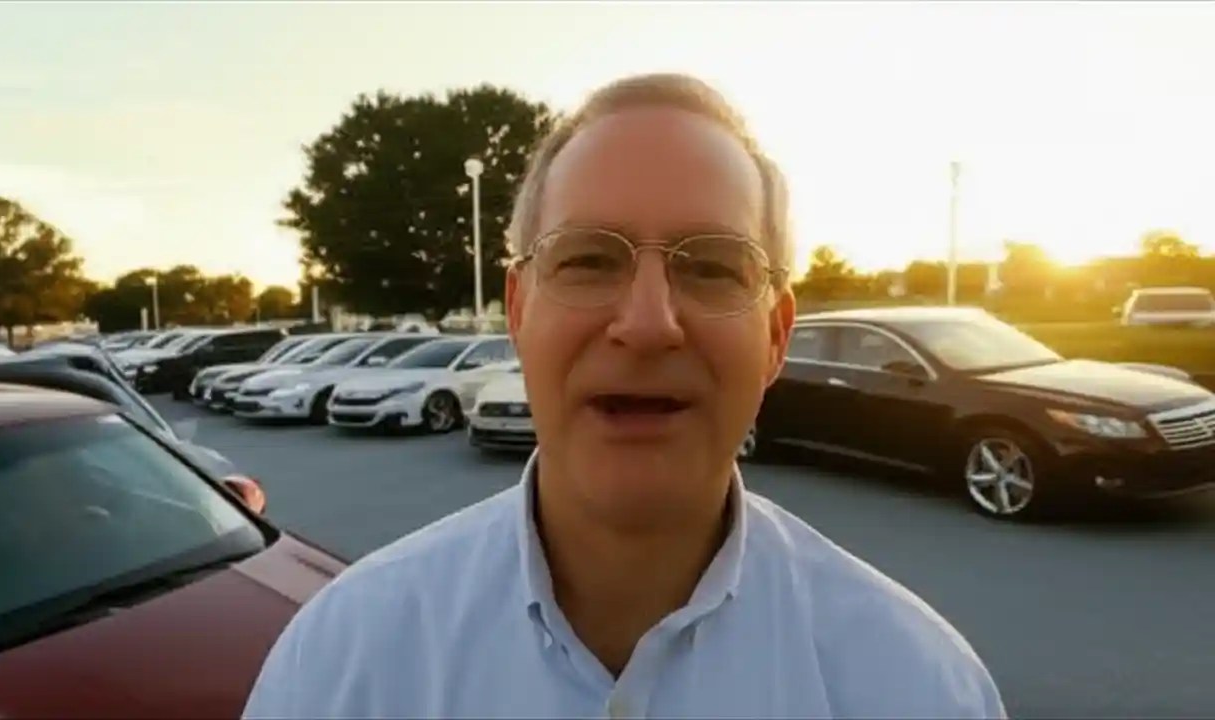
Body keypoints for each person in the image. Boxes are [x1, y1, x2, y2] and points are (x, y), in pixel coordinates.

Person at [243, 72, 1007, 719]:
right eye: (586, 261)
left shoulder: (917, 687)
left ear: (776, 335)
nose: (647, 324)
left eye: (712, 267)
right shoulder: (342, 666)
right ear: (518, 312)